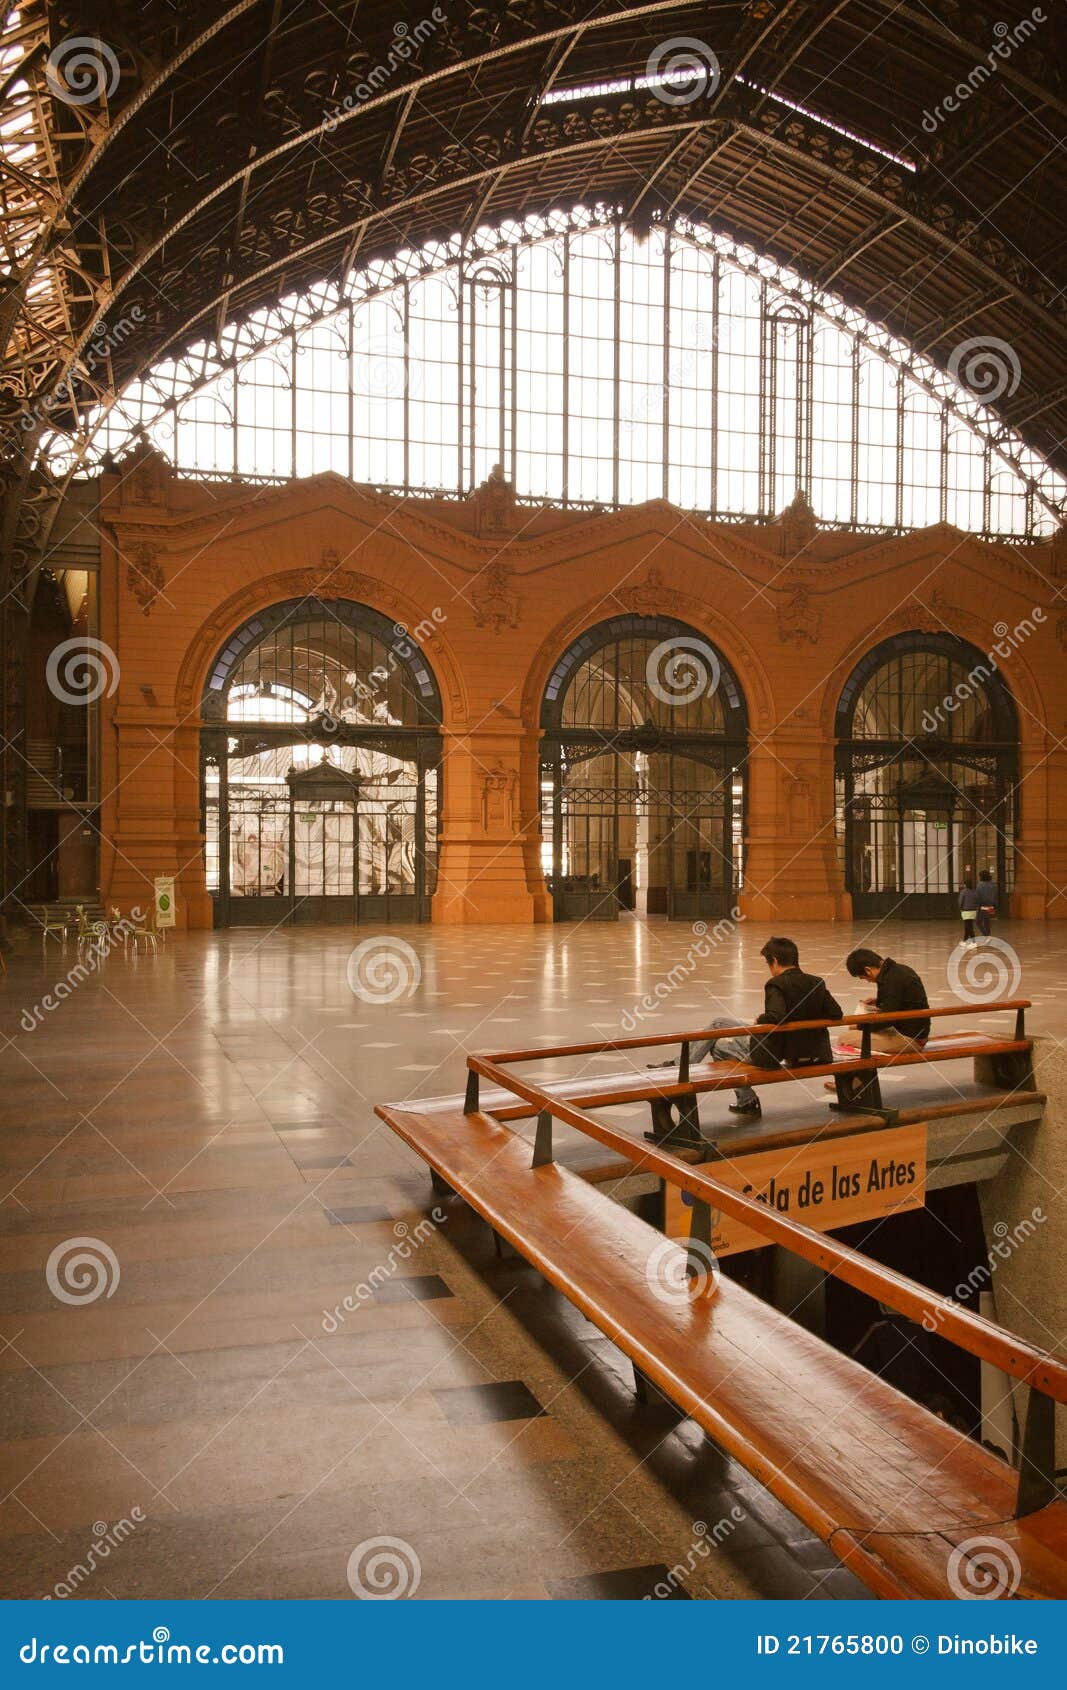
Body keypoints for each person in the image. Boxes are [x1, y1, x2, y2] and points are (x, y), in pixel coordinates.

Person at [682, 936, 843, 1119]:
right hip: (813, 1051)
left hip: (778, 1051)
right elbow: (836, 1013)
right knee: (720, 1023)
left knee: (718, 1046)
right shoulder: (816, 982)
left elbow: (776, 1017)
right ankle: (683, 1063)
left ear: (774, 961)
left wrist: (760, 1019)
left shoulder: (777, 983)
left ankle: (745, 1099)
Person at [844, 948, 931, 1054]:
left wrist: (859, 1026)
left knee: (845, 1039)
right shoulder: (898, 970)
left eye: (863, 978)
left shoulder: (891, 980)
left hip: (910, 1039)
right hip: (913, 1032)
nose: (868, 981)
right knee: (857, 1032)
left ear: (868, 970)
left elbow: (887, 1019)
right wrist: (877, 1001)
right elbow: (900, 1001)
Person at [958, 877, 980, 946]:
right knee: (967, 926)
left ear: (965, 884)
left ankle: (974, 942)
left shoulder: (963, 892)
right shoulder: (975, 891)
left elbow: (960, 901)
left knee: (969, 927)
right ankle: (964, 941)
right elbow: (977, 901)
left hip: (966, 911)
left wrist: (960, 908)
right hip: (973, 911)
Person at [976, 868, 998, 938]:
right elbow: (995, 895)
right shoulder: (993, 885)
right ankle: (988, 935)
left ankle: (986, 935)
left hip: (983, 906)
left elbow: (978, 895)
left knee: (978, 922)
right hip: (991, 905)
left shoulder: (980, 885)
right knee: (987, 922)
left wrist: (977, 905)